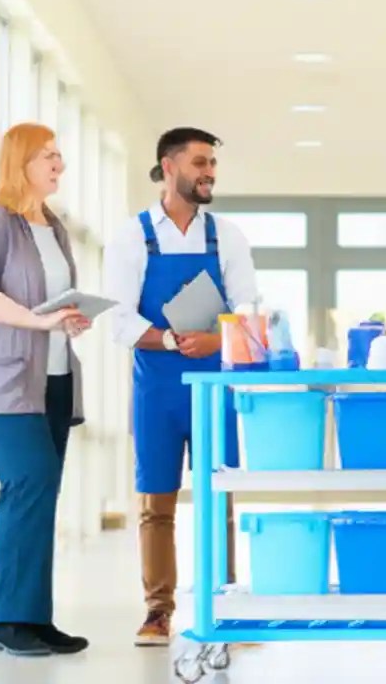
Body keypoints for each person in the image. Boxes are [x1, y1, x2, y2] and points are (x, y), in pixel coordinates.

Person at [103, 127, 258, 646]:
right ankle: (158, 611)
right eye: (199, 162)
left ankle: (223, 604)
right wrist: (170, 340)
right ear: (169, 167)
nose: (209, 171)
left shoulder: (227, 237)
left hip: (214, 385)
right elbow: (118, 319)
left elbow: (250, 311)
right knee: (157, 502)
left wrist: (217, 340)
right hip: (158, 389)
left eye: (212, 163)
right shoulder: (133, 237)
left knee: (221, 498)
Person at [0, 123, 93, 657]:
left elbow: (50, 302)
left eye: (60, 156)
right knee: (27, 483)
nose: (59, 165)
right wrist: (41, 323)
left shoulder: (52, 226)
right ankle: (4, 621)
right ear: (21, 162)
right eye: (49, 156)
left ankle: (34, 619)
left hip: (53, 381)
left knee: (40, 496)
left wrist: (69, 319)